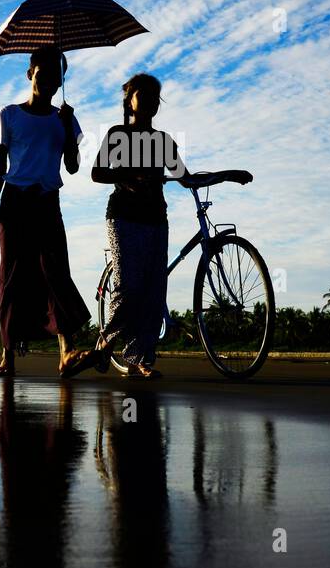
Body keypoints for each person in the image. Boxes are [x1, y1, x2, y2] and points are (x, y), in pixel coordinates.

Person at [87, 73, 251, 378]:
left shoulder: (162, 141)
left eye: (154, 96)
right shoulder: (117, 135)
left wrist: (227, 174)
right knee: (128, 287)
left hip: (155, 220)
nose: (149, 100)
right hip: (123, 217)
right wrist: (127, 178)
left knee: (153, 289)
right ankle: (105, 344)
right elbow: (97, 173)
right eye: (142, 94)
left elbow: (185, 178)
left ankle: (140, 359)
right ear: (130, 100)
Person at [0, 46, 93, 378]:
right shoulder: (9, 115)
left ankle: (67, 352)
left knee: (55, 273)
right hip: (15, 202)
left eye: (55, 77)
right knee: (12, 278)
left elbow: (72, 167)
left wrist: (68, 134)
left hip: (47, 202)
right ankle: (8, 355)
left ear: (61, 82)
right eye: (42, 74)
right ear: (30, 73)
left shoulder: (65, 119)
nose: (48, 81)